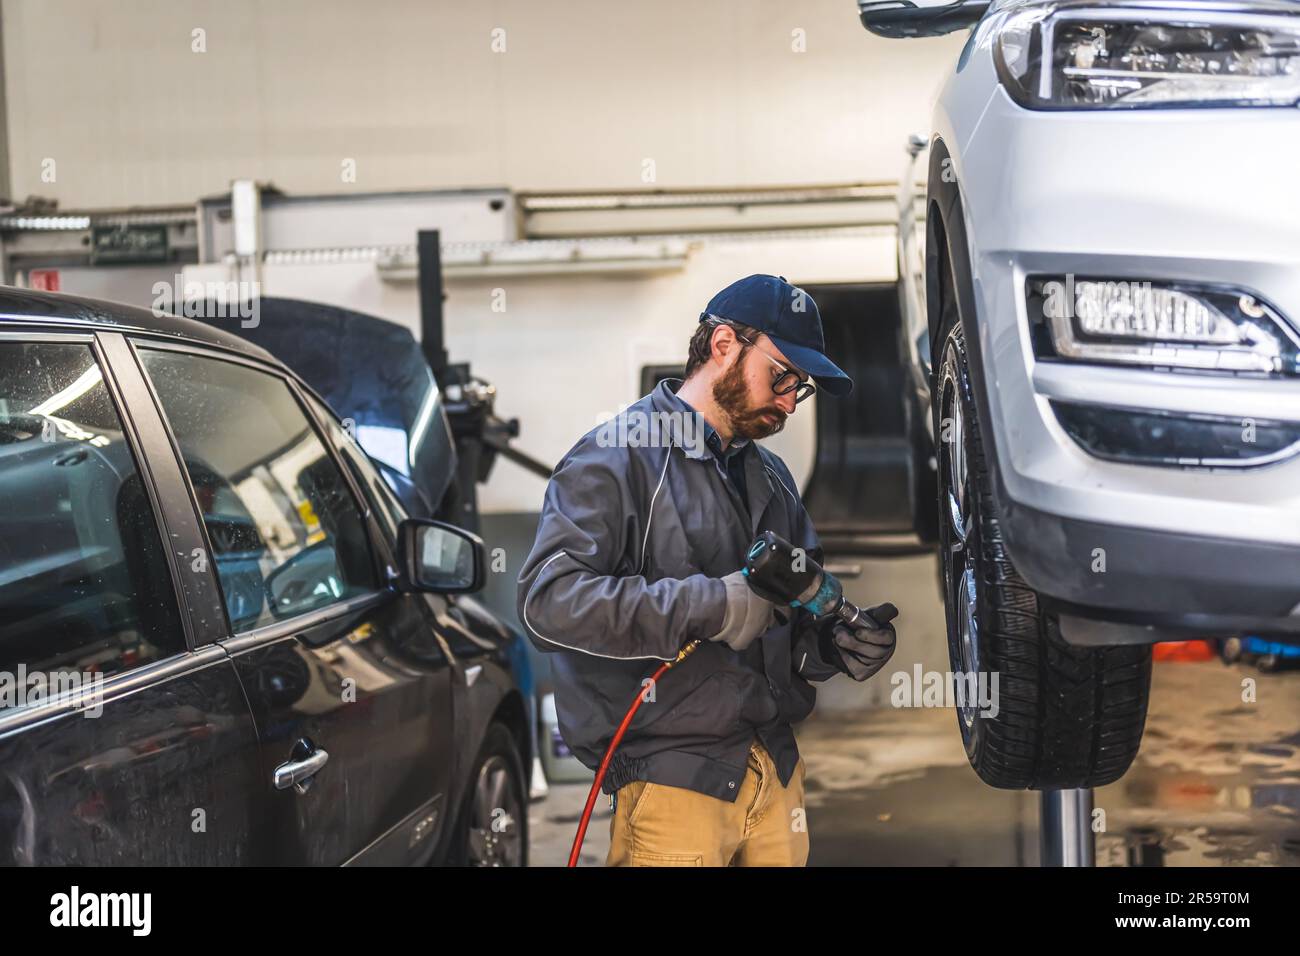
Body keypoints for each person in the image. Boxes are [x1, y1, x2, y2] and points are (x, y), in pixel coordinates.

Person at [517, 274, 897, 866]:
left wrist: (834, 643)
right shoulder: (617, 457)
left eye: (803, 388)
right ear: (724, 344)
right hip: (674, 784)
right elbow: (550, 603)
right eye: (783, 376)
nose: (790, 400)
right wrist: (712, 605)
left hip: (775, 770)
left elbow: (790, 622)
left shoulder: (770, 478)